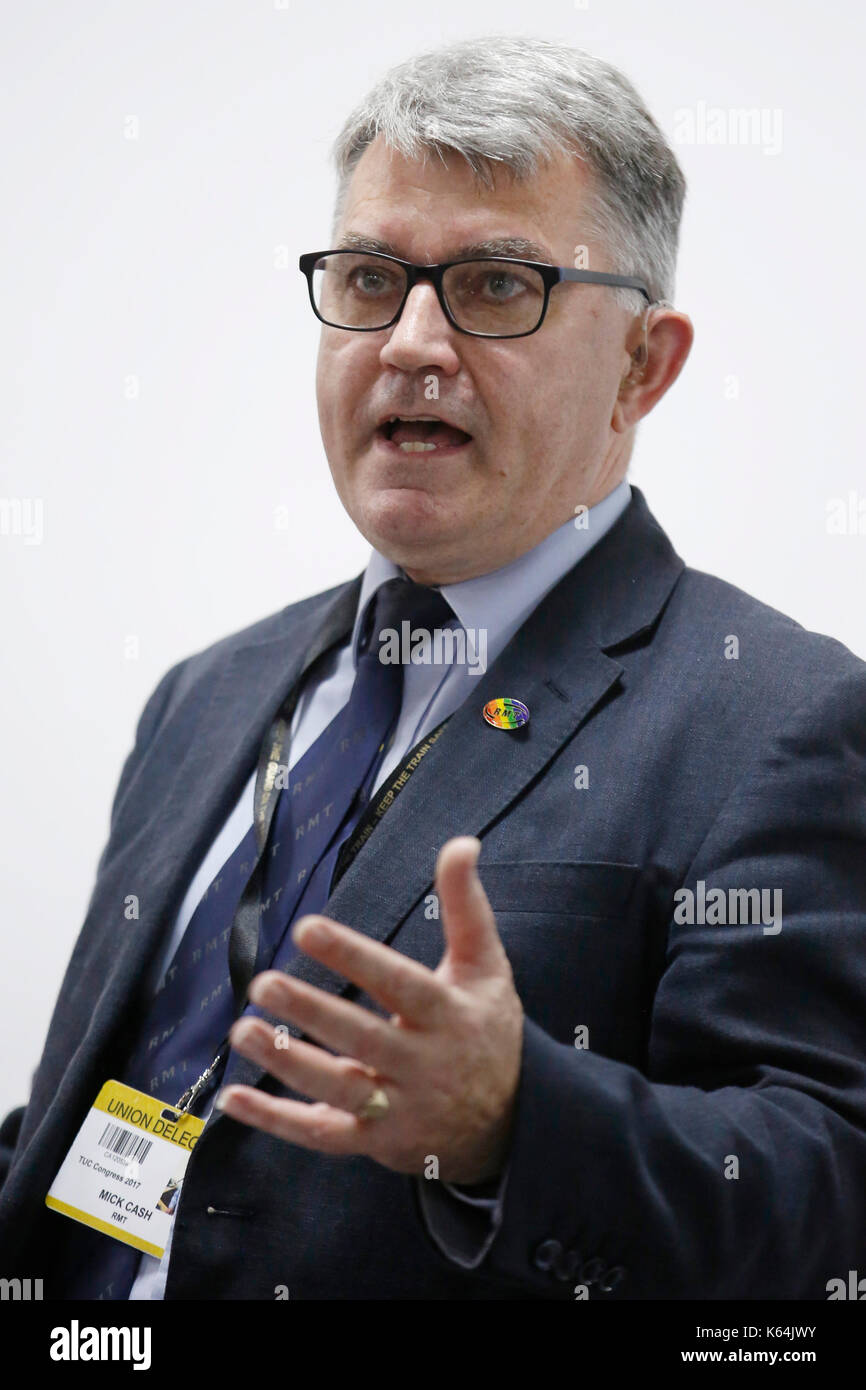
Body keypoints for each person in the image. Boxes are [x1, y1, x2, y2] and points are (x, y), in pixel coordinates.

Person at [2, 35, 865, 1302]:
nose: (412, 340)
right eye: (368, 278)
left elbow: (825, 1193)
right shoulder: (202, 697)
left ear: (644, 365)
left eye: (496, 284)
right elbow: (110, 1117)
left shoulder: (776, 717)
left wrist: (513, 1119)